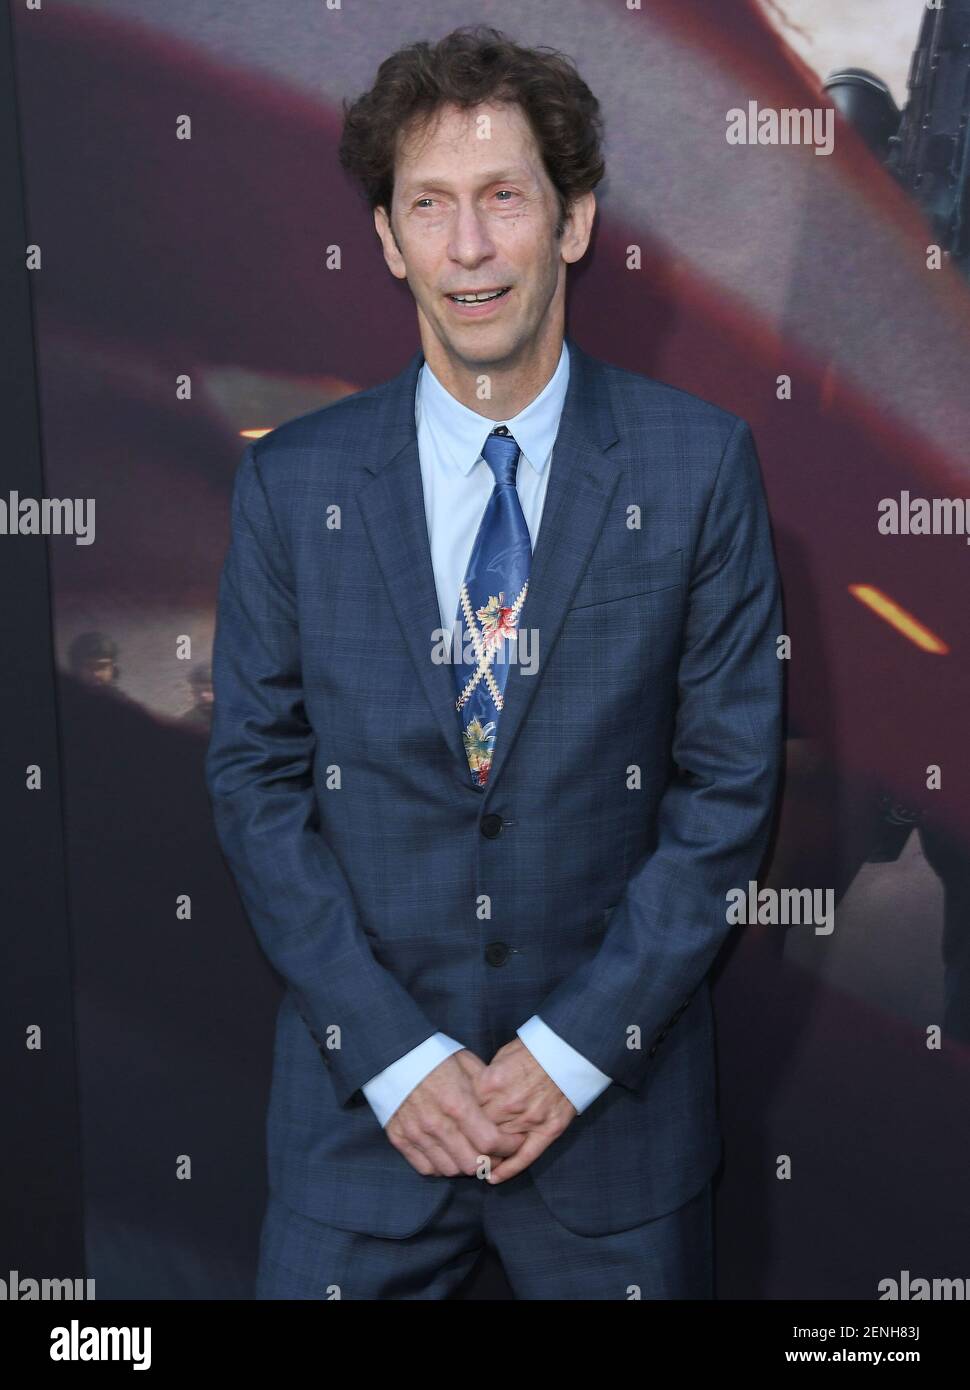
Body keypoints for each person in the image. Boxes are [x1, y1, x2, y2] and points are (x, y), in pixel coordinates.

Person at [204, 25, 783, 1301]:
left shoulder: (698, 468)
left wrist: (572, 1055)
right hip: (362, 1130)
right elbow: (255, 783)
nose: (468, 246)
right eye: (430, 205)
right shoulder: (293, 485)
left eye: (503, 197)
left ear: (573, 222)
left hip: (615, 1134)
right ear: (387, 239)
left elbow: (727, 792)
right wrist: (395, 1059)